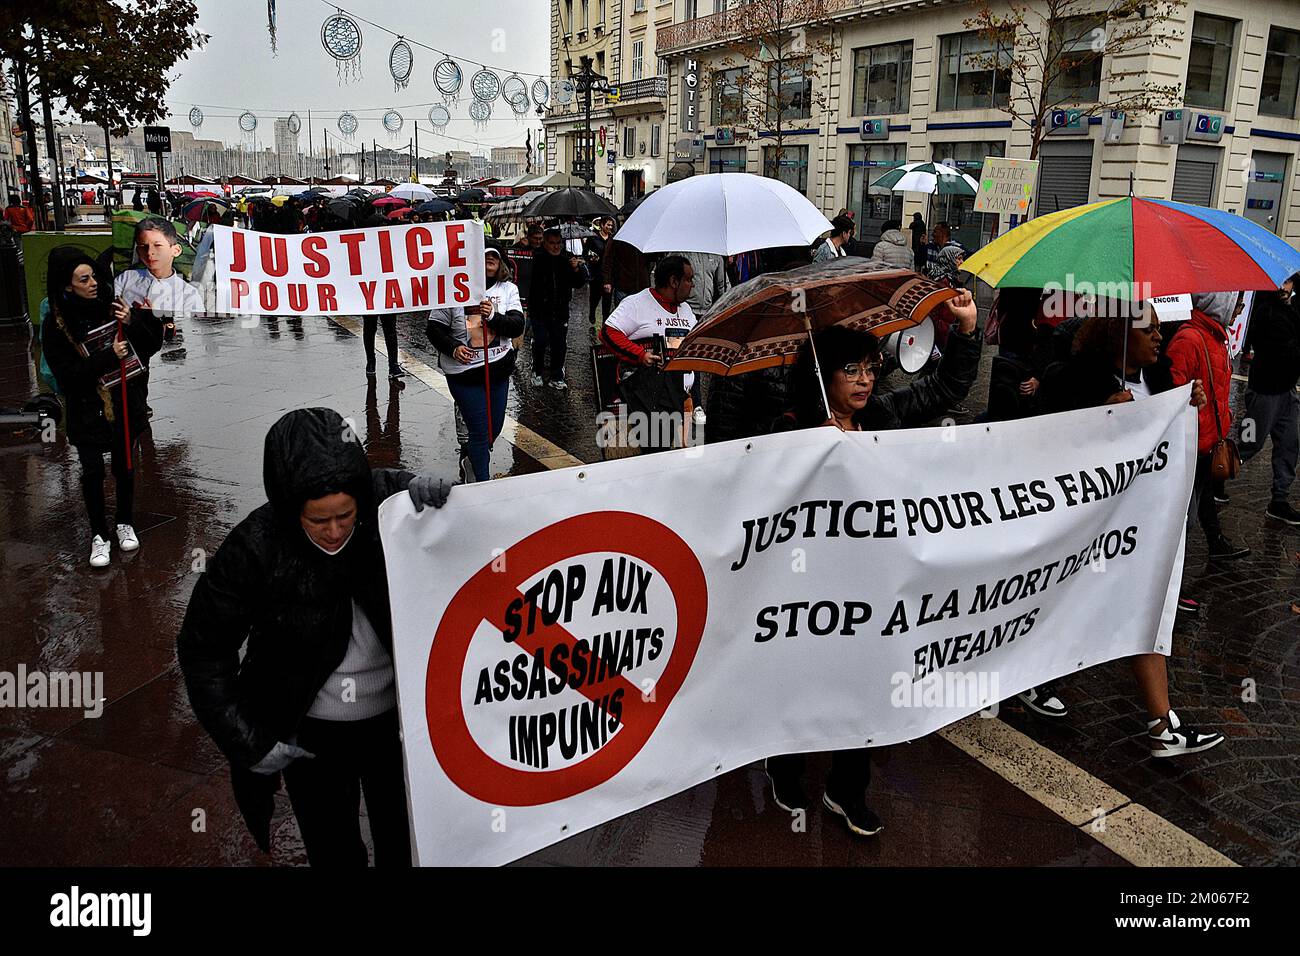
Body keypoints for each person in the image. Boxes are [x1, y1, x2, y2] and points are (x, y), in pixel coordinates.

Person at [178, 407, 453, 866]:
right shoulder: (253, 547)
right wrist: (248, 740)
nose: (333, 531)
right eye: (317, 521)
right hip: (310, 734)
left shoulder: (392, 504)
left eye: (344, 516)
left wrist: (443, 498)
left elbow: (465, 541)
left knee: (405, 841)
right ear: (289, 509)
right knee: (332, 850)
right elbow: (204, 649)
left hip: (398, 724)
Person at [765, 290, 981, 836]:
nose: (863, 381)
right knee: (803, 682)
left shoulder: (881, 415)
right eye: (850, 371)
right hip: (808, 591)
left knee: (862, 686)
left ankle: (846, 789)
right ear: (824, 377)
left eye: (869, 369)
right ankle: (783, 763)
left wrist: (967, 333)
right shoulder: (791, 430)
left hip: (870, 588)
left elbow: (944, 389)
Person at [1037, 310, 1226, 758]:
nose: (1160, 337)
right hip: (1085, 529)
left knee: (1148, 611)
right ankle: (1030, 680)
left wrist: (1189, 400)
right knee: (1065, 603)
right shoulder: (1074, 377)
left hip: (1137, 532)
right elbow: (1042, 434)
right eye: (1150, 329)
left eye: (1161, 328)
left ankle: (1163, 726)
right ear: (1121, 333)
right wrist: (1098, 414)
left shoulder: (1161, 381)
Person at [41, 247, 164, 567]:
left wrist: (134, 320)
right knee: (92, 471)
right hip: (86, 409)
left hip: (124, 402)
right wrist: (109, 356)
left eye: (94, 275)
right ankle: (99, 534)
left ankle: (125, 522)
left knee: (124, 467)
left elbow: (151, 344)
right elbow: (67, 376)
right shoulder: (56, 325)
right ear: (68, 286)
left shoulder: (113, 305)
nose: (93, 282)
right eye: (84, 279)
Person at [426, 246, 525, 481]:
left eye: (495, 255)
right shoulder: (452, 290)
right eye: (484, 254)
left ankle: (472, 457)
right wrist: (453, 347)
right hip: (464, 374)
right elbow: (434, 328)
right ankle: (481, 482)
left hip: (497, 370)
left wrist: (492, 316)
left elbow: (516, 326)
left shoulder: (508, 289)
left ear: (501, 263)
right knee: (480, 430)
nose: (490, 259)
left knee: (494, 427)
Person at [1166, 292, 1251, 561]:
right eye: (1235, 304)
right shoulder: (1189, 339)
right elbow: (1171, 394)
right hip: (1190, 444)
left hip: (1206, 441)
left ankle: (1215, 544)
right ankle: (1170, 585)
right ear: (1220, 303)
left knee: (1200, 502)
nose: (1238, 310)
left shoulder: (1218, 338)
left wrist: (1224, 416)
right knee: (1183, 518)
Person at [599, 255, 698, 453]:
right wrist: (639, 355)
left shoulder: (686, 309)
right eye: (688, 279)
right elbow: (608, 332)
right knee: (656, 457)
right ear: (673, 281)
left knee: (690, 456)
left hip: (685, 397)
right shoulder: (637, 303)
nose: (692, 285)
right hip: (651, 399)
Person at [1238, 275, 1300, 525]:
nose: (1283, 288)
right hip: (1264, 393)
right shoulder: (1266, 312)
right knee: (1249, 442)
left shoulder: (1289, 309)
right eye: (1280, 283)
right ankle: (1216, 478)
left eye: (1288, 283)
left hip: (1286, 391)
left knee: (1289, 444)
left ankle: (1280, 500)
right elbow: (1285, 346)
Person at [528, 227, 587, 389]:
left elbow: (579, 282)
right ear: (545, 243)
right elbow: (529, 284)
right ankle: (537, 372)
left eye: (558, 243)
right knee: (540, 342)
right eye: (552, 243)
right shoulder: (537, 258)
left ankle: (556, 376)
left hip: (560, 310)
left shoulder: (566, 259)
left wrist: (576, 269)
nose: (555, 247)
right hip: (540, 310)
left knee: (559, 344)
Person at [584, 217, 615, 330]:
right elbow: (585, 252)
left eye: (611, 225)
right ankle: (592, 312)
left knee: (607, 299)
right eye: (608, 225)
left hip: (608, 275)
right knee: (595, 297)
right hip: (596, 273)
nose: (610, 227)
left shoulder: (613, 239)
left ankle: (605, 321)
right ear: (602, 225)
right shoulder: (593, 238)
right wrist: (590, 257)